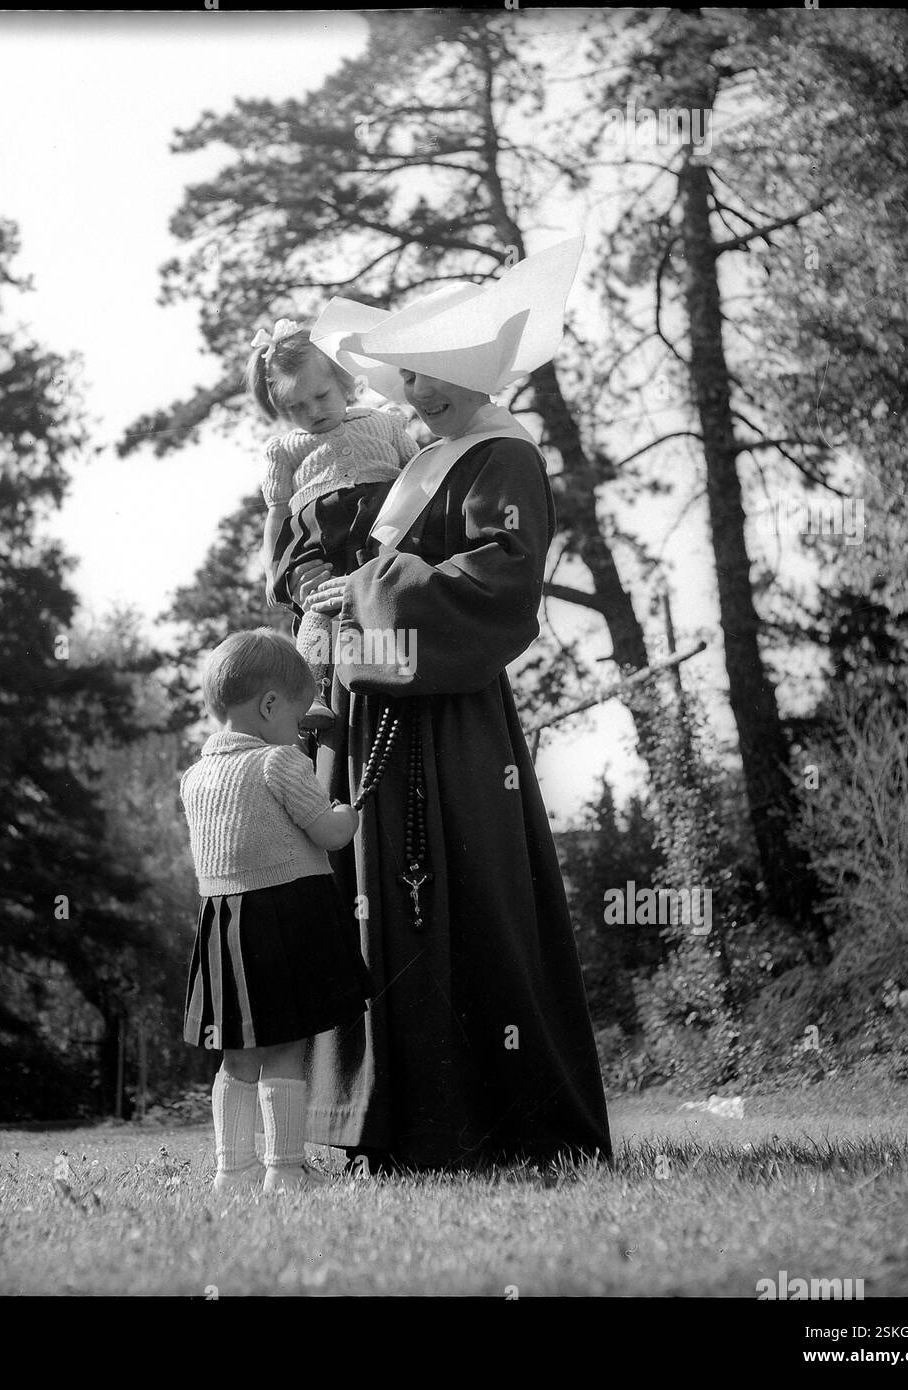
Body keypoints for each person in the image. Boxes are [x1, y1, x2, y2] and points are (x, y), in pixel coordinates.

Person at [291, 238, 613, 1172]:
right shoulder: (426, 457)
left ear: (475, 369)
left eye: (439, 375)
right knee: (375, 907)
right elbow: (361, 567)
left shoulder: (502, 458)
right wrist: (331, 590)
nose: (421, 393)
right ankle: (391, 1126)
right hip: (374, 703)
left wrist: (358, 593)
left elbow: (500, 586)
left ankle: (496, 1121)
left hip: (451, 717)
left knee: (463, 898)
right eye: (410, 377)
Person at [179, 629, 371, 1193]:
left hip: (224, 927)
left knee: (236, 1055)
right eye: (295, 715)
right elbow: (330, 834)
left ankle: (230, 1171)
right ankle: (285, 1171)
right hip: (286, 919)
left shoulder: (195, 778)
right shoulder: (277, 763)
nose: (299, 729)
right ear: (268, 706)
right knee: (286, 1047)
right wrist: (350, 809)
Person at [247, 319, 419, 728]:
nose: (313, 412)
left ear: (344, 382)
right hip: (324, 541)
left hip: (384, 529)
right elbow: (278, 513)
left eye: (321, 396)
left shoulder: (385, 422)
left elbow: (418, 472)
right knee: (319, 610)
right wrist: (273, 570)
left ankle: (403, 659)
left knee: (387, 594)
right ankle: (310, 692)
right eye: (295, 408)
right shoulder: (286, 451)